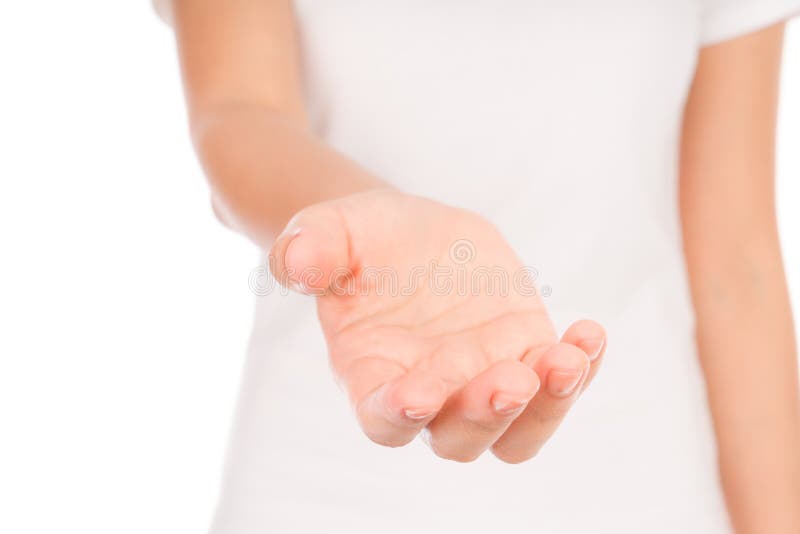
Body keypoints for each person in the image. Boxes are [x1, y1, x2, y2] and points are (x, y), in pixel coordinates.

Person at [157, 1, 800, 532]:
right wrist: (367, 222)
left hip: (653, 490)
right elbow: (238, 110)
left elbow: (736, 268)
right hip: (324, 490)